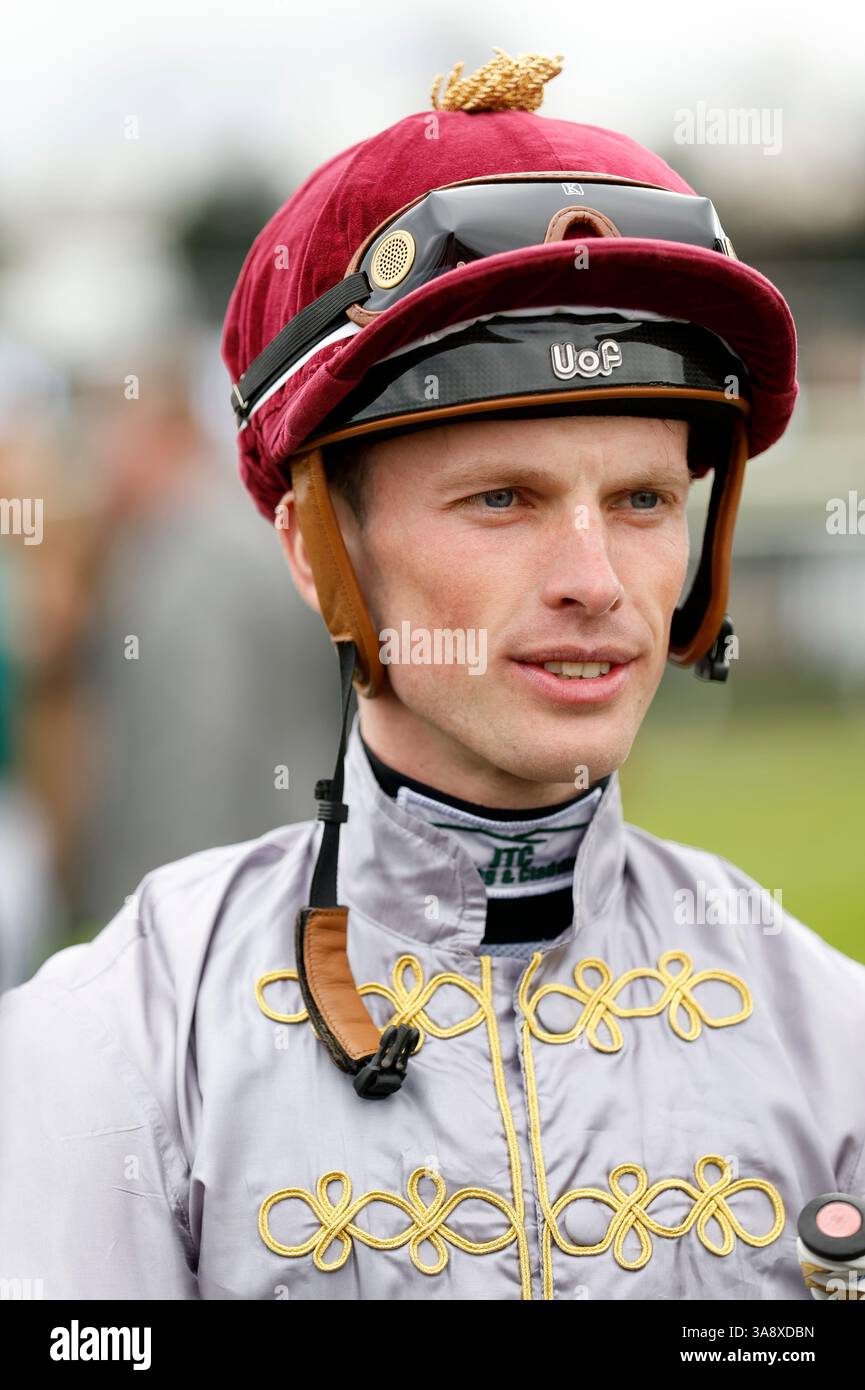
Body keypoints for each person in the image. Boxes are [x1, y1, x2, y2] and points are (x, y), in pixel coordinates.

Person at [2, 48, 864, 1303]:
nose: (595, 579)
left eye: (639, 499)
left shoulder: (832, 1031)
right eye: (502, 499)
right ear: (314, 545)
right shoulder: (113, 1040)